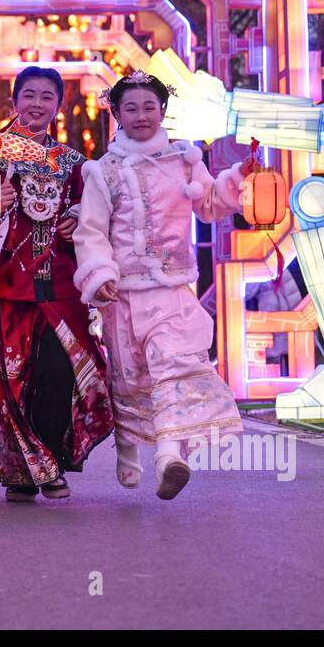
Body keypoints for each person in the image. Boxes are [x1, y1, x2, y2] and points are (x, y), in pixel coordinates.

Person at [72, 70, 249, 499]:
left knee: (173, 365)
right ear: (116, 114)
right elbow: (91, 230)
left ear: (163, 110)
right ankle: (128, 448)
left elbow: (208, 205)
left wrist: (237, 176)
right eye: (130, 108)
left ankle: (169, 457)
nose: (141, 115)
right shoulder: (102, 171)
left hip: (172, 291)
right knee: (131, 377)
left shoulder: (184, 160)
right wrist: (100, 275)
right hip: (126, 294)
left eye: (149, 106)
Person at [0, 66, 112, 502]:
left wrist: (77, 218)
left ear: (58, 107)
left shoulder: (73, 163)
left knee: (59, 370)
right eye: (29, 95)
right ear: (14, 103)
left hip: (58, 283)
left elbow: (95, 213)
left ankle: (48, 462)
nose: (37, 103)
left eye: (47, 97)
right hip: (4, 285)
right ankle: (24, 472)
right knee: (5, 378)